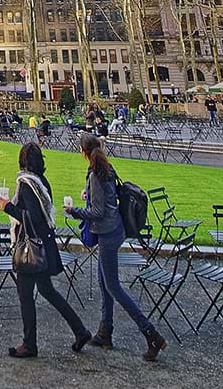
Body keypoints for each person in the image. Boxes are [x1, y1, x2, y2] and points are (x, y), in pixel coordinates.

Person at [64, 133, 167, 361]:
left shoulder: (95, 174)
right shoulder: (106, 168)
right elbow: (107, 197)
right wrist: (89, 195)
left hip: (108, 233)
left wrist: (74, 211)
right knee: (104, 283)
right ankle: (105, 332)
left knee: (114, 287)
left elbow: (98, 212)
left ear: (83, 152)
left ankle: (151, 334)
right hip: (115, 229)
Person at [2, 143, 90, 359]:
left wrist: (8, 207)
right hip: (45, 244)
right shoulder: (42, 182)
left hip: (32, 248)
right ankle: (80, 331)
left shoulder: (26, 185)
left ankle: (29, 344)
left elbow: (32, 217)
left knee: (25, 295)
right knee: (47, 290)